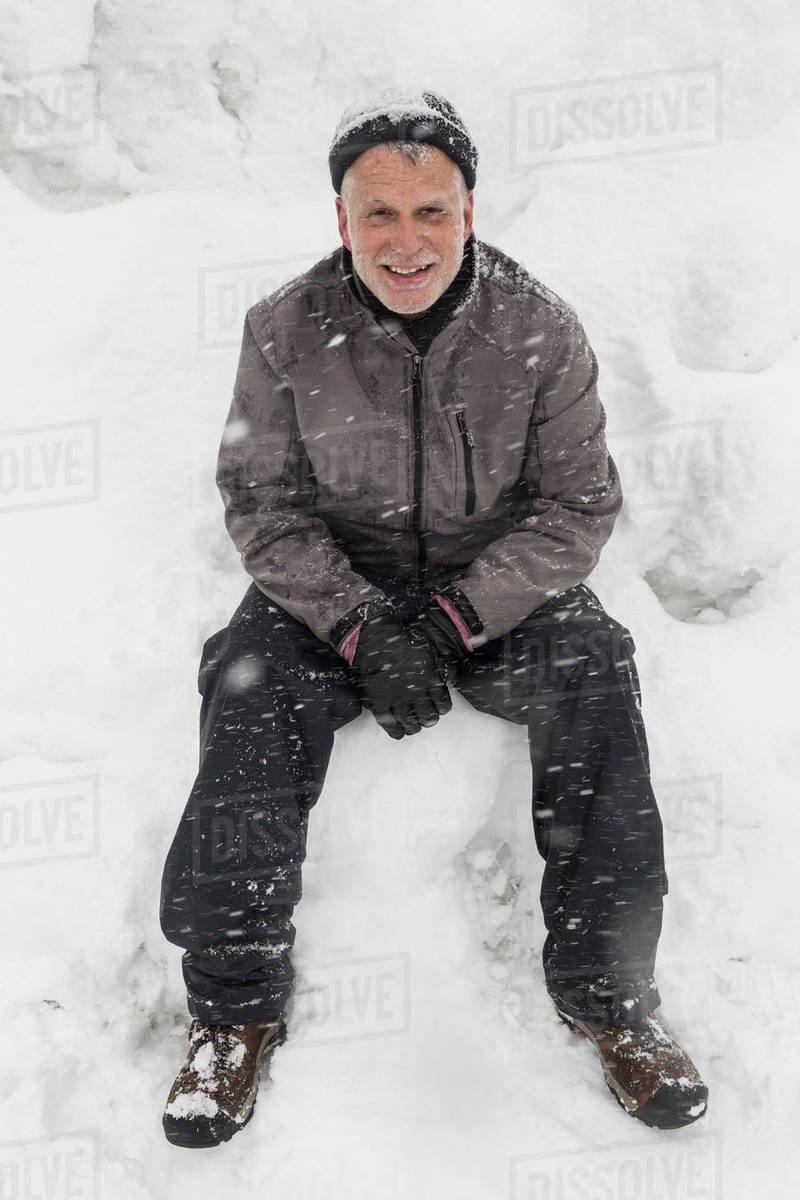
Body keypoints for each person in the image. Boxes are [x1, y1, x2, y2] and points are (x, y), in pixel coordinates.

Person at [159, 88, 708, 1149]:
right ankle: (232, 1010)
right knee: (241, 684)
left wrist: (454, 621)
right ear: (340, 220)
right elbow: (262, 507)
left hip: (494, 584)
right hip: (330, 586)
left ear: (469, 209)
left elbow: (577, 508)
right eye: (377, 214)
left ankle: (609, 998)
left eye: (430, 213)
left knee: (597, 668)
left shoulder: (538, 328)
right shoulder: (281, 331)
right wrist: (362, 626)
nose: (403, 241)